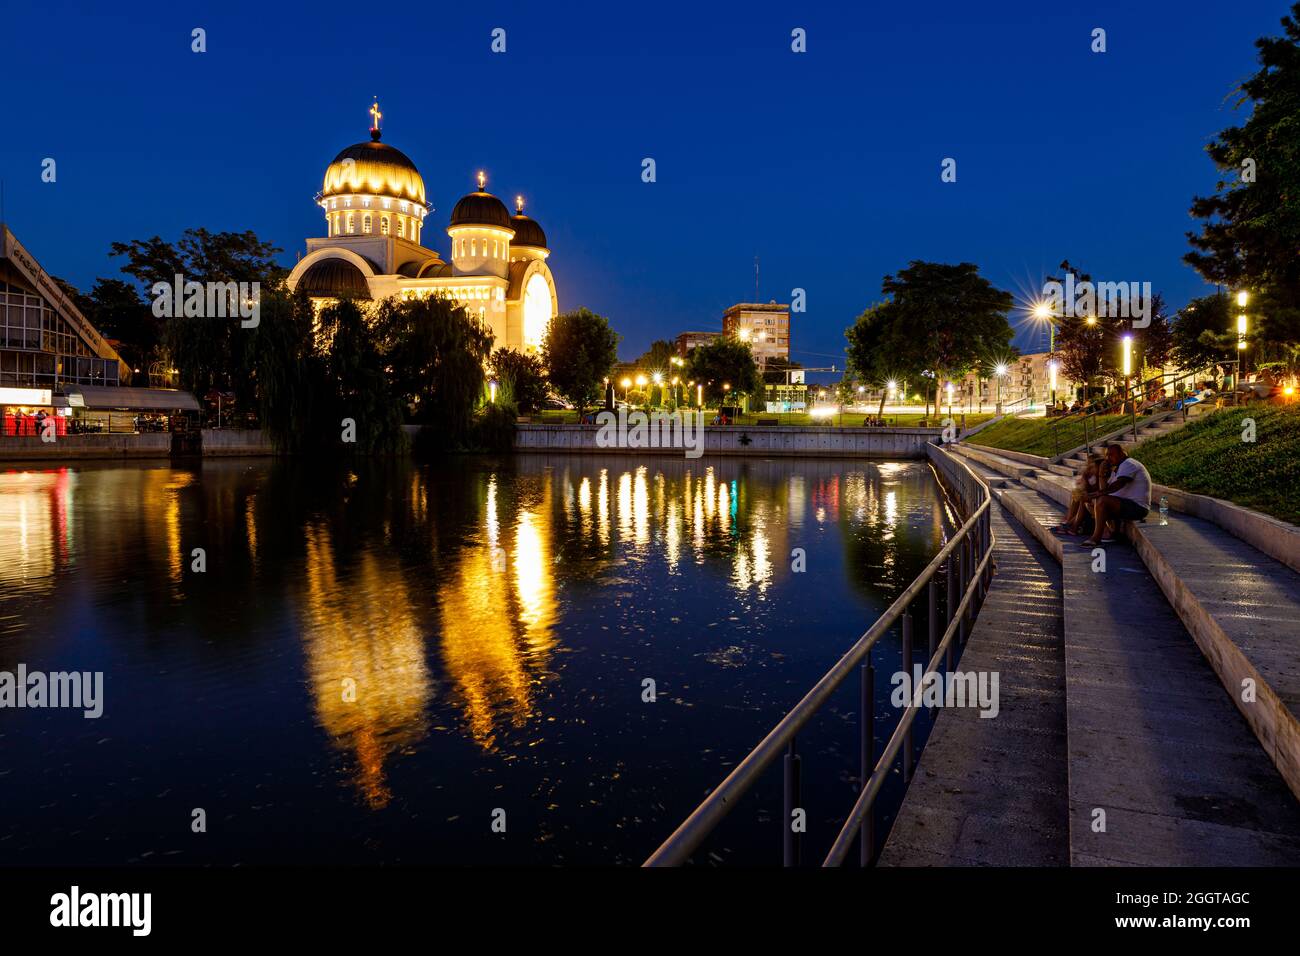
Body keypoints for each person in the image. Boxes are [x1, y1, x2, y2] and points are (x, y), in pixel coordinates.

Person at [1083, 443, 1151, 546]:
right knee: (1090, 502)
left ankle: (1095, 538)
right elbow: (1105, 489)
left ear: (1122, 453)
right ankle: (1108, 532)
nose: (1108, 458)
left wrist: (1096, 494)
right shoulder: (1118, 469)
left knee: (1102, 500)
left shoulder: (1129, 464)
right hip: (1124, 504)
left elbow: (1118, 485)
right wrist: (1101, 473)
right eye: (1107, 455)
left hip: (1138, 507)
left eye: (1111, 455)